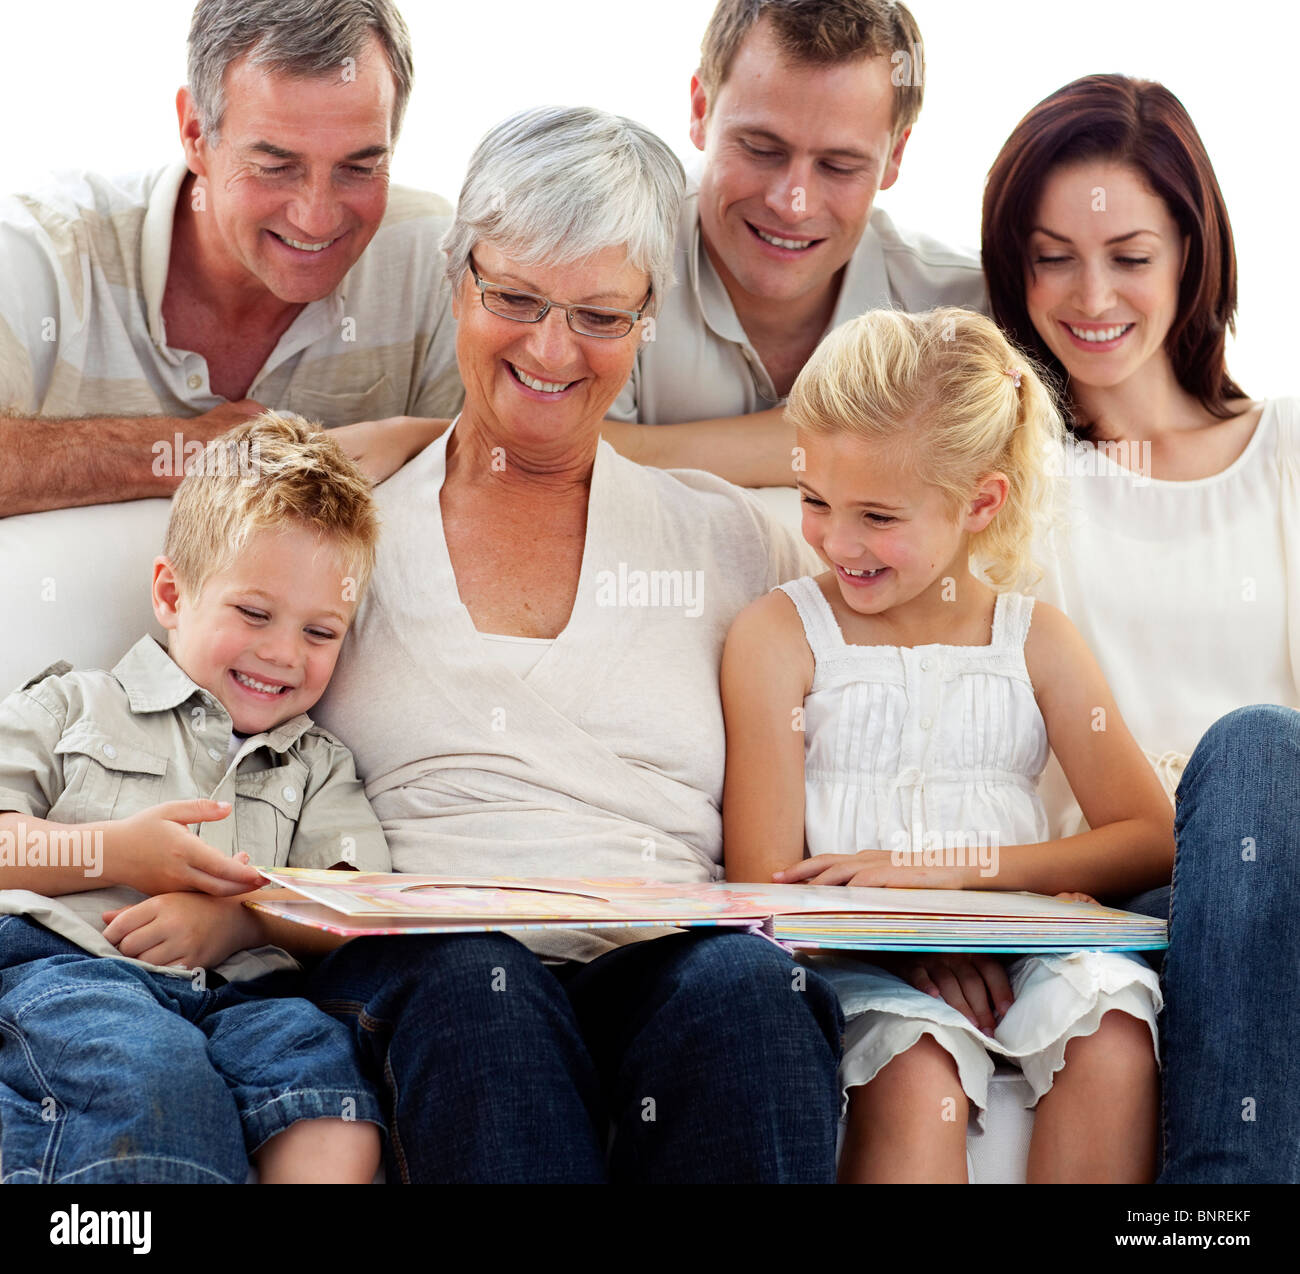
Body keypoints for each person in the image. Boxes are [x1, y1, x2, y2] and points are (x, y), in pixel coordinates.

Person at [304, 104, 844, 1184]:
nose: (551, 350)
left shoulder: (729, 539)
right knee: (480, 988)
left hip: (662, 957)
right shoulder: (339, 526)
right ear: (456, 279)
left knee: (751, 987)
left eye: (600, 315)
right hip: (422, 969)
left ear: (650, 319)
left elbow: (889, 717)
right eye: (513, 298)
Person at [721, 308, 1175, 1183]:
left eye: (878, 516)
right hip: (863, 967)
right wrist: (916, 940)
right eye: (814, 501)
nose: (837, 541)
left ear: (980, 502)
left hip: (1030, 945)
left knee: (1112, 1030)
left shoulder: (1037, 640)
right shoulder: (780, 636)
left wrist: (951, 876)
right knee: (912, 1065)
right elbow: (765, 888)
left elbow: (1147, 837)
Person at [982, 73, 1300, 1184]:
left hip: (1279, 885)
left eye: (1128, 254)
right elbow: (813, 433)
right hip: (1112, 895)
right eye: (1050, 253)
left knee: (1259, 749)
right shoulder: (1004, 488)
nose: (1088, 293)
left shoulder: (1286, 453)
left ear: (1190, 255)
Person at [0, 413, 391, 1183]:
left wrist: (236, 923)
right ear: (172, 594)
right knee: (154, 1076)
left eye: (321, 632)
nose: (282, 653)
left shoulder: (315, 763)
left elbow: (357, 900)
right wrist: (113, 853)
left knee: (329, 1098)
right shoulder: (73, 705)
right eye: (254, 613)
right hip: (74, 971)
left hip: (249, 994)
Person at [0, 0, 460, 518]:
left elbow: (521, 466)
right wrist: (189, 450)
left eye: (358, 168)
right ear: (196, 134)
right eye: (275, 166)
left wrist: (408, 437)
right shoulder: (45, 246)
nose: (316, 218)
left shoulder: (437, 259)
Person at [603, 0, 985, 487]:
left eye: (839, 166)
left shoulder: (966, 306)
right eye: (761, 149)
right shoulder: (605, 263)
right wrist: (865, 439)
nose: (792, 204)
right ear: (700, 110)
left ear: (896, 154)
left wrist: (630, 452)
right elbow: (539, 460)